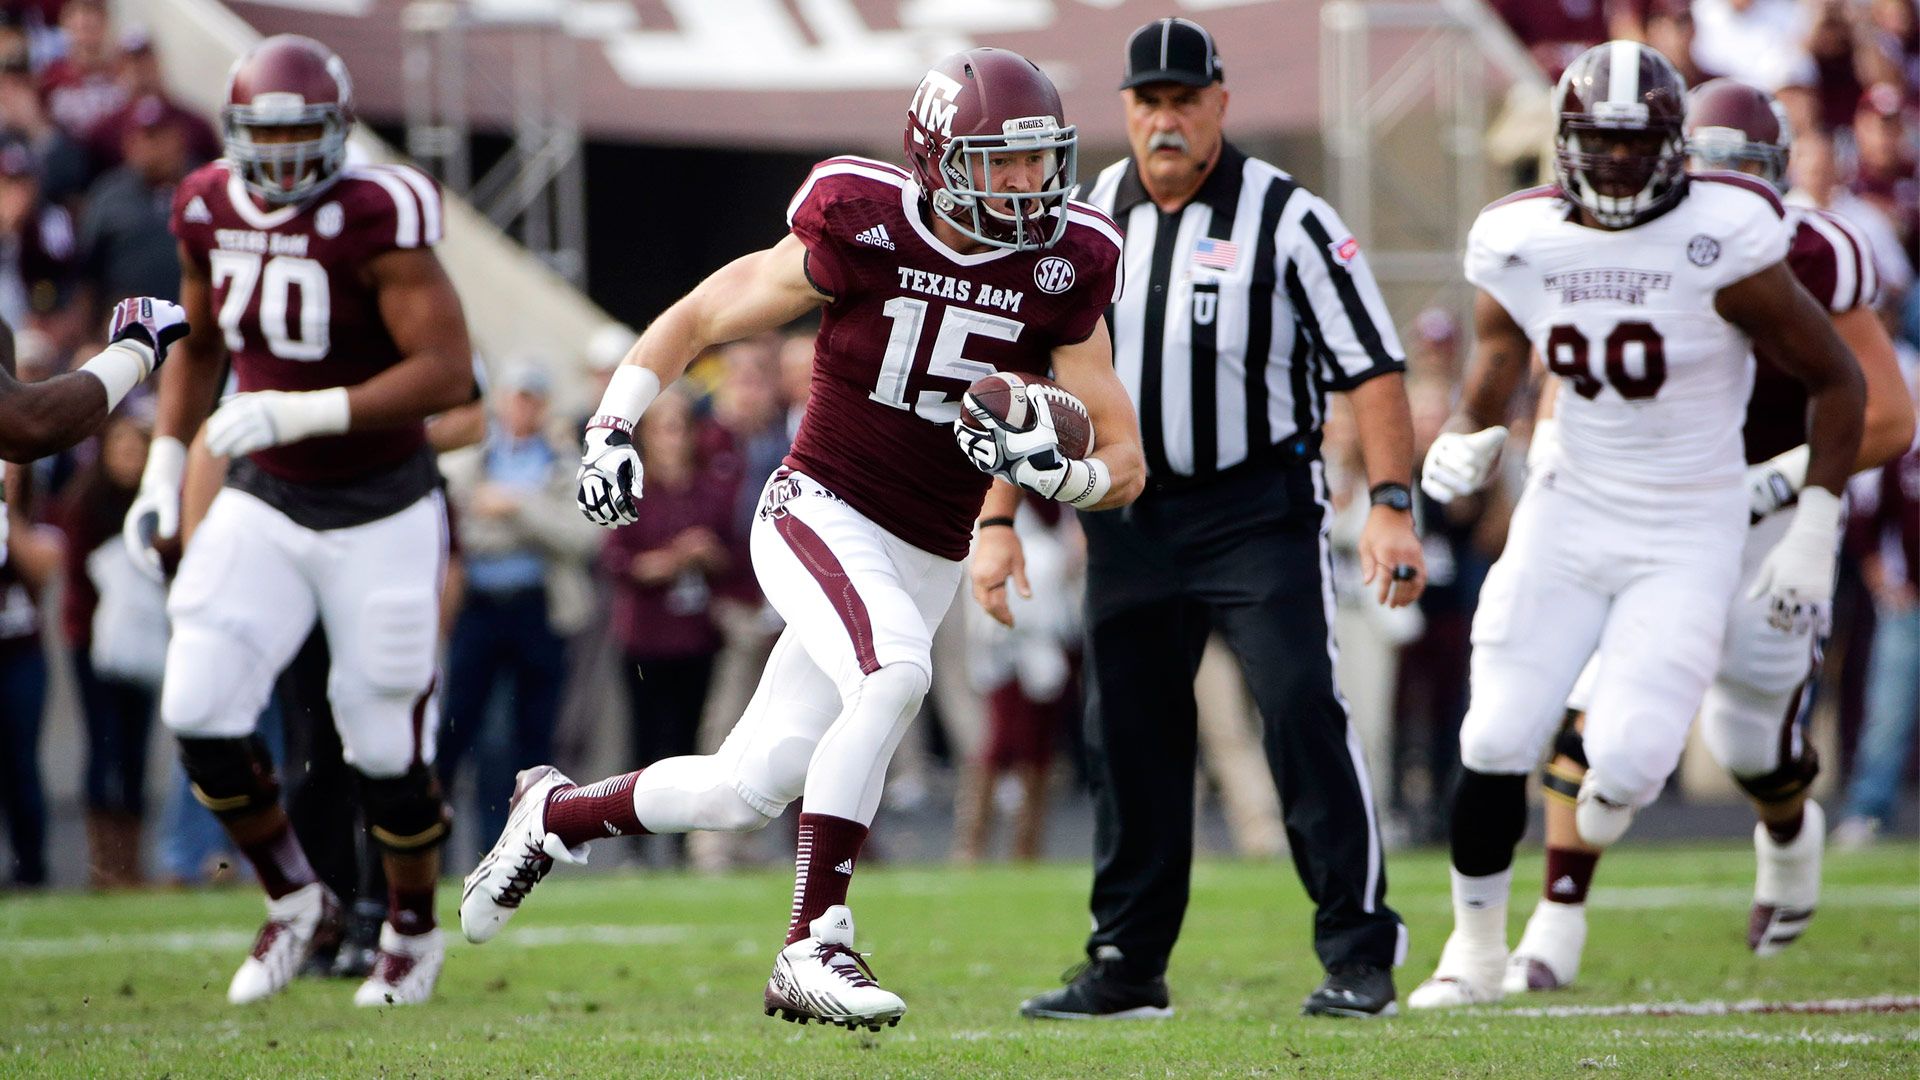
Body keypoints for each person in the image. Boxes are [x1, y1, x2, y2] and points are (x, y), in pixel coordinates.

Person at [459, 46, 1142, 1031]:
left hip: (930, 550)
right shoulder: (863, 219)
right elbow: (702, 313)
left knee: (747, 786)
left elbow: (1125, 456)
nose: (1031, 183)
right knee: (895, 674)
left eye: (1042, 159)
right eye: (1004, 160)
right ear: (939, 157)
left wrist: (1062, 477)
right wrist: (612, 425)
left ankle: (552, 814)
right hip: (820, 505)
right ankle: (814, 940)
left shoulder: (1066, 262)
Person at [1408, 42, 1867, 1009]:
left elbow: (1841, 379)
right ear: (1566, 144)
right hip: (1569, 511)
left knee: (1627, 760)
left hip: (1688, 527)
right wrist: (1468, 432)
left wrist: (1813, 524)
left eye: (1635, 144)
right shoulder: (1521, 238)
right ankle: (1476, 950)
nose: (1615, 165)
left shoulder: (1728, 235)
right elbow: (1499, 351)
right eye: (1597, 144)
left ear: (1675, 147)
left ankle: (1766, 836)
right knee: (1492, 732)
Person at [1008, 18, 1424, 1022]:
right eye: (1147, 102)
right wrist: (992, 521)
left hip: (1255, 510)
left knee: (1297, 709)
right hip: (1127, 514)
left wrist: (1392, 507)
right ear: (1125, 111)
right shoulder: (1089, 214)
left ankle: (1360, 948)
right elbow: (1019, 379)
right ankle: (1127, 962)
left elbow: (1371, 367)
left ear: (1220, 105)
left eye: (1184, 101)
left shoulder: (1291, 217)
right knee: (1131, 736)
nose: (1165, 120)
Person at [1503, 78, 1916, 992]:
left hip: (1772, 525)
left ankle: (1786, 832)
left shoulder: (1813, 253)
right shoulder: (1632, 235)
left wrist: (1771, 486)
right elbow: (1568, 361)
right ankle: (1555, 923)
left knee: (1747, 740)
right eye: (1712, 168)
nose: (1730, 193)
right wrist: (1555, 444)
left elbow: (1888, 415)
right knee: (1595, 701)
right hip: (1652, 506)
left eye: (1749, 172)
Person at [123, 35, 473, 1008]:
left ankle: (410, 932)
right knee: (196, 700)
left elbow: (450, 374)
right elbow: (196, 346)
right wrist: (160, 467)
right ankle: (296, 900)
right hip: (268, 496)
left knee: (383, 739)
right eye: (261, 139)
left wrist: (304, 407)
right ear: (234, 135)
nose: (279, 163)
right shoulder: (204, 203)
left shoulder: (379, 212)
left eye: (300, 137)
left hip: (382, 505)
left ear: (339, 130)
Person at [438, 361, 596, 856]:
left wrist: (516, 507)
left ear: (543, 406)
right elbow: (464, 532)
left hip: (537, 609)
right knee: (458, 729)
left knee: (532, 734)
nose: (522, 408)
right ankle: (429, 845)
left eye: (532, 398)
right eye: (515, 397)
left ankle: (519, 846)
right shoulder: (470, 462)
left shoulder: (565, 464)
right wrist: (528, 518)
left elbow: (579, 535)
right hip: (479, 608)